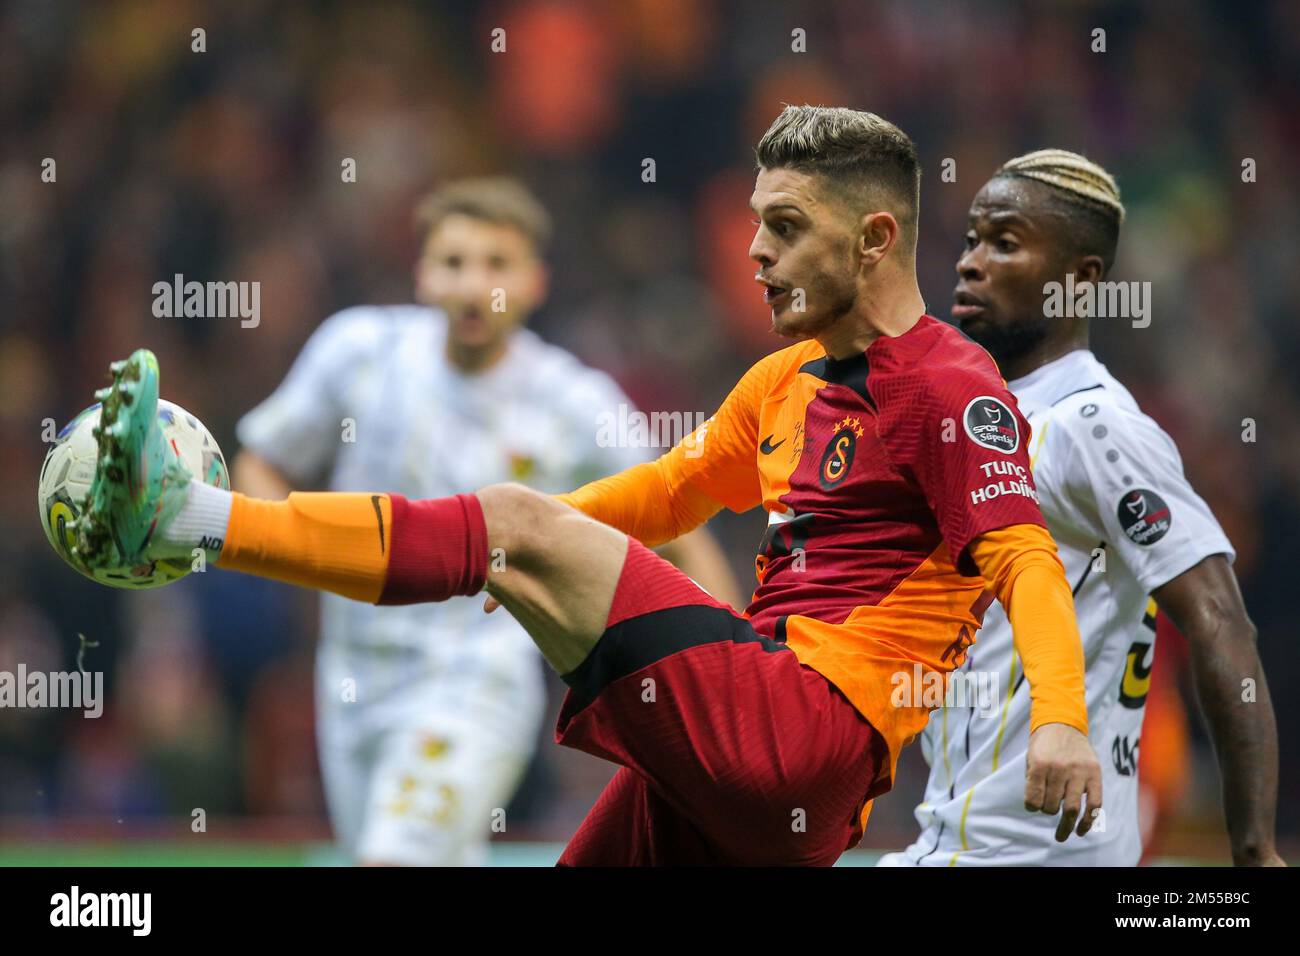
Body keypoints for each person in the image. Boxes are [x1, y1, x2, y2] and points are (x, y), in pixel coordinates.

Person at [76, 106, 1101, 866]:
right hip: (763, 779)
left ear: (875, 238)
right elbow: (659, 495)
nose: (752, 251)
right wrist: (488, 550)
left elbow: (1022, 555)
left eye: (785, 226)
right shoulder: (784, 380)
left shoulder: (949, 386)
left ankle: (181, 518)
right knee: (519, 530)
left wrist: (1060, 714)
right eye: (755, 221)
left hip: (803, 723)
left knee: (516, 519)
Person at [232, 177, 741, 865]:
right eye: (454, 262)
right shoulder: (358, 352)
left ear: (534, 281)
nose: (475, 285)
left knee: (397, 858)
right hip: (352, 678)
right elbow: (261, 461)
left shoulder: (575, 403)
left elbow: (679, 534)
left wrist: (738, 671)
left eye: (497, 264)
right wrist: (293, 550)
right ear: (423, 275)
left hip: (477, 678)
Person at [879, 149, 1282, 866]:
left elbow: (1222, 621)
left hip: (1035, 857)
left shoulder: (1092, 426)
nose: (971, 262)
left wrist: (1254, 851)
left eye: (1005, 243)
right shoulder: (977, 422)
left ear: (1080, 280)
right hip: (955, 842)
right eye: (972, 240)